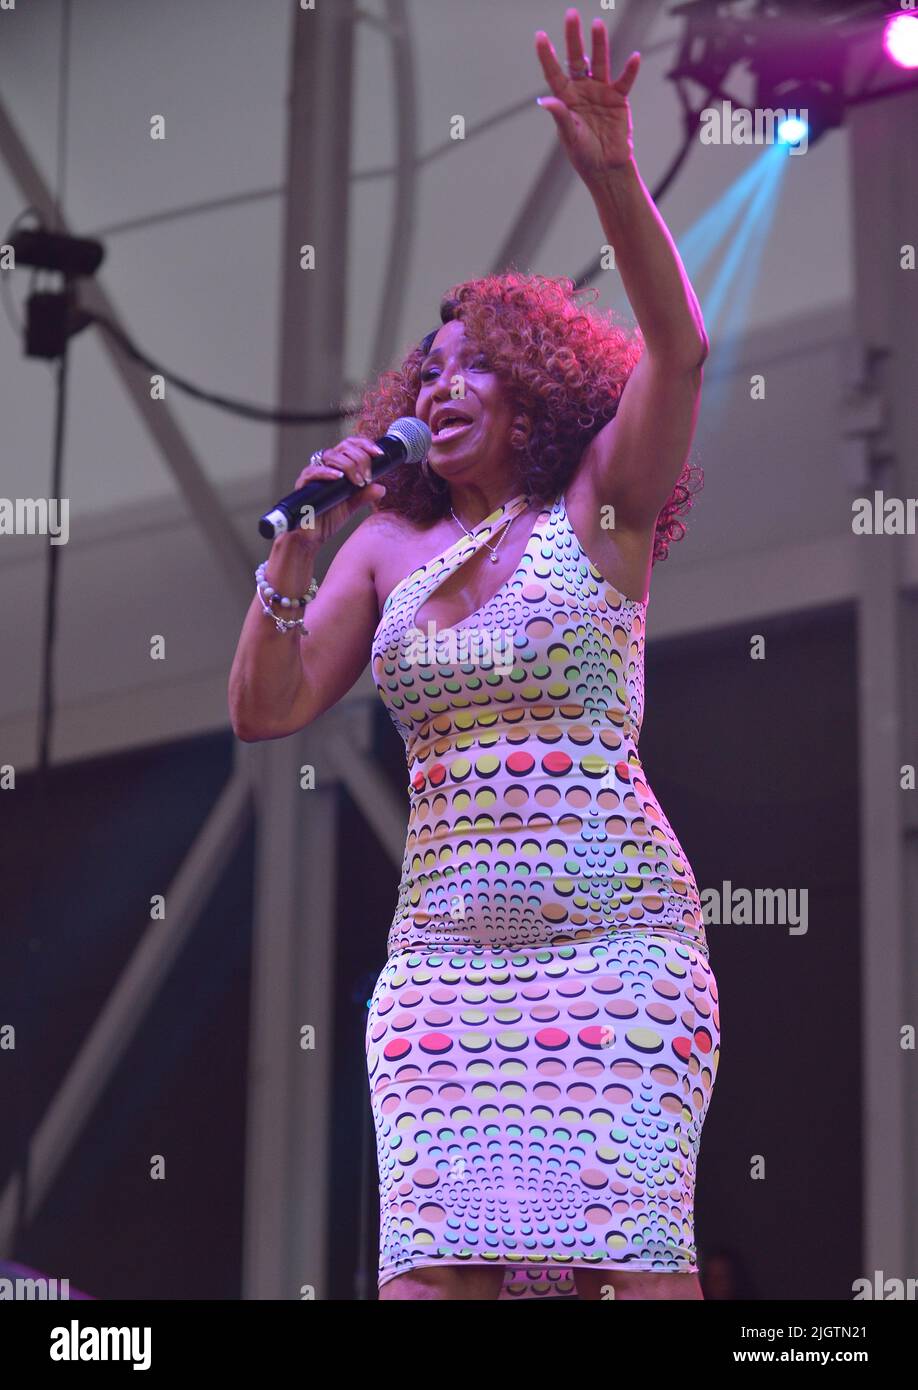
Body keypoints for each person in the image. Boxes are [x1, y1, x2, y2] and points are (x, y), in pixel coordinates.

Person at [229, 7, 719, 1302]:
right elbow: (267, 707)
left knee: (627, 1269)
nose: (438, 387)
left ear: (536, 388)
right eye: (425, 373)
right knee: (428, 1278)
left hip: (613, 950)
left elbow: (676, 349)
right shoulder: (384, 547)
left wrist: (609, 172)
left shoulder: (598, 510)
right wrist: (293, 551)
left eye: (472, 369)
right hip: (444, 972)